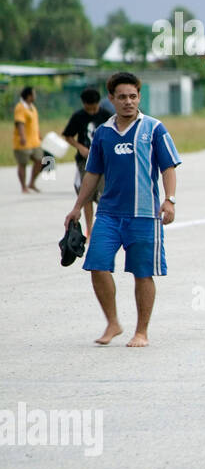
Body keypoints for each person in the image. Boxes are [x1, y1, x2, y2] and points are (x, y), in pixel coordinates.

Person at [62, 72, 181, 348]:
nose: (128, 102)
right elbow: (92, 173)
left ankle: (141, 332)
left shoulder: (154, 129)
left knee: (142, 272)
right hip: (108, 214)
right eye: (122, 97)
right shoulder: (103, 133)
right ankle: (113, 322)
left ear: (139, 97)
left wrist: (170, 199)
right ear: (111, 99)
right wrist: (77, 207)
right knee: (96, 263)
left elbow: (168, 167)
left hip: (143, 215)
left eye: (133, 96)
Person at [61, 88, 112, 234]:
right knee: (87, 196)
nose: (92, 111)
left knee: (104, 195)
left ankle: (104, 229)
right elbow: (68, 135)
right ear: (84, 104)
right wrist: (80, 147)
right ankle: (89, 230)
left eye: (94, 108)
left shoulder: (106, 115)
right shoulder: (78, 116)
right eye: (89, 108)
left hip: (103, 161)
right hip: (85, 161)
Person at [13, 85, 43, 193]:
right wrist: (22, 136)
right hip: (23, 141)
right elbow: (20, 123)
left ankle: (31, 183)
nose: (35, 96)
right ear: (29, 96)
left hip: (34, 141)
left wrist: (39, 134)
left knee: (40, 161)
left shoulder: (32, 107)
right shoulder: (20, 107)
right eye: (34, 94)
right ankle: (23, 186)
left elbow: (35, 123)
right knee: (23, 164)